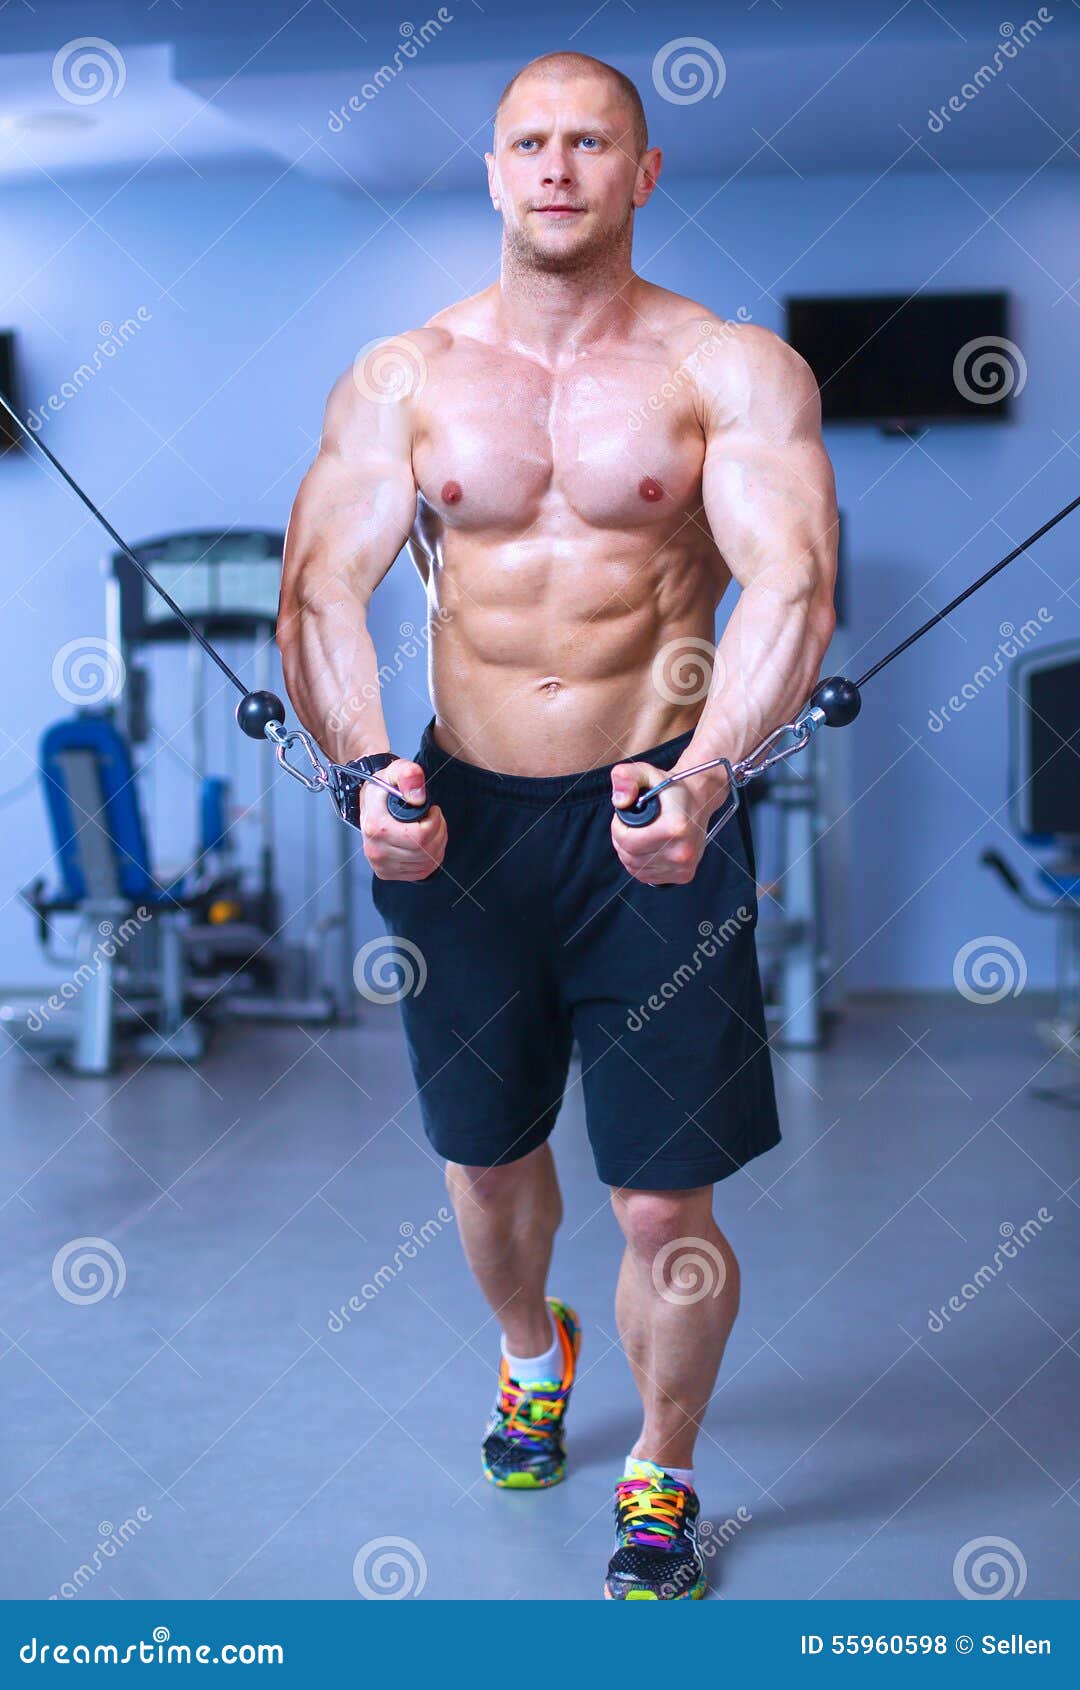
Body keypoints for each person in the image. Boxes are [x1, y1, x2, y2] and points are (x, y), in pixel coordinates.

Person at [278, 49, 838, 1600]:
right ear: (493, 171)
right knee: (487, 1160)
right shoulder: (406, 376)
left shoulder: (728, 372)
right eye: (529, 141)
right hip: (460, 824)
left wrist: (714, 769)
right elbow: (320, 587)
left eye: (592, 141)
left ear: (641, 173)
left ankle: (659, 1468)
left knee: (664, 1193)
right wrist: (364, 769)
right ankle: (535, 1350)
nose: (558, 166)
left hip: (655, 811)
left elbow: (792, 588)